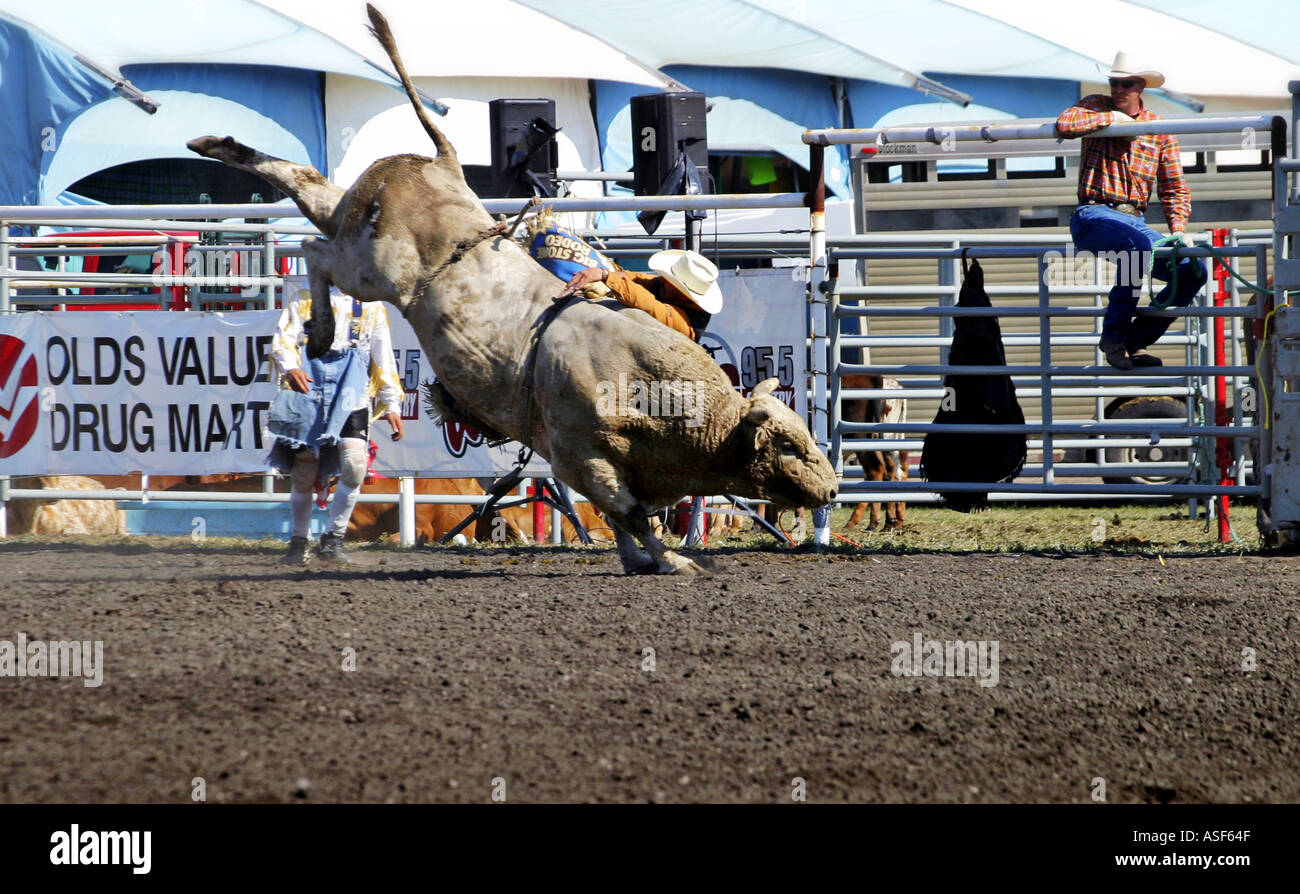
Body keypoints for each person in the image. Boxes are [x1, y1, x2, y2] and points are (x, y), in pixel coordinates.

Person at [1056, 52, 1207, 370]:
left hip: (1134, 218)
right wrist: (1112, 120)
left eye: (1127, 83)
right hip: (1094, 213)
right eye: (1115, 82)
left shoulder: (1159, 130)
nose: (1119, 89)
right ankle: (1113, 338)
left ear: (1141, 87)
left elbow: (1173, 187)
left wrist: (1178, 229)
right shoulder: (1096, 106)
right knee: (1135, 249)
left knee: (1193, 271)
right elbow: (1065, 124)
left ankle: (1134, 340)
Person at [268, 288, 405, 564]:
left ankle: (333, 539)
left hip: (352, 394)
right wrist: (290, 367)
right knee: (303, 472)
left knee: (355, 465)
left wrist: (391, 403)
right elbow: (284, 339)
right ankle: (298, 541)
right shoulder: (304, 297)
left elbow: (383, 354)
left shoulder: (372, 305)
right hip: (308, 388)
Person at [558, 248, 723, 342]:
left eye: (671, 282)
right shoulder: (666, 288)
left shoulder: (687, 325)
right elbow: (642, 279)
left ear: (683, 297)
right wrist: (620, 277)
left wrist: (606, 276)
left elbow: (651, 305)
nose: (663, 280)